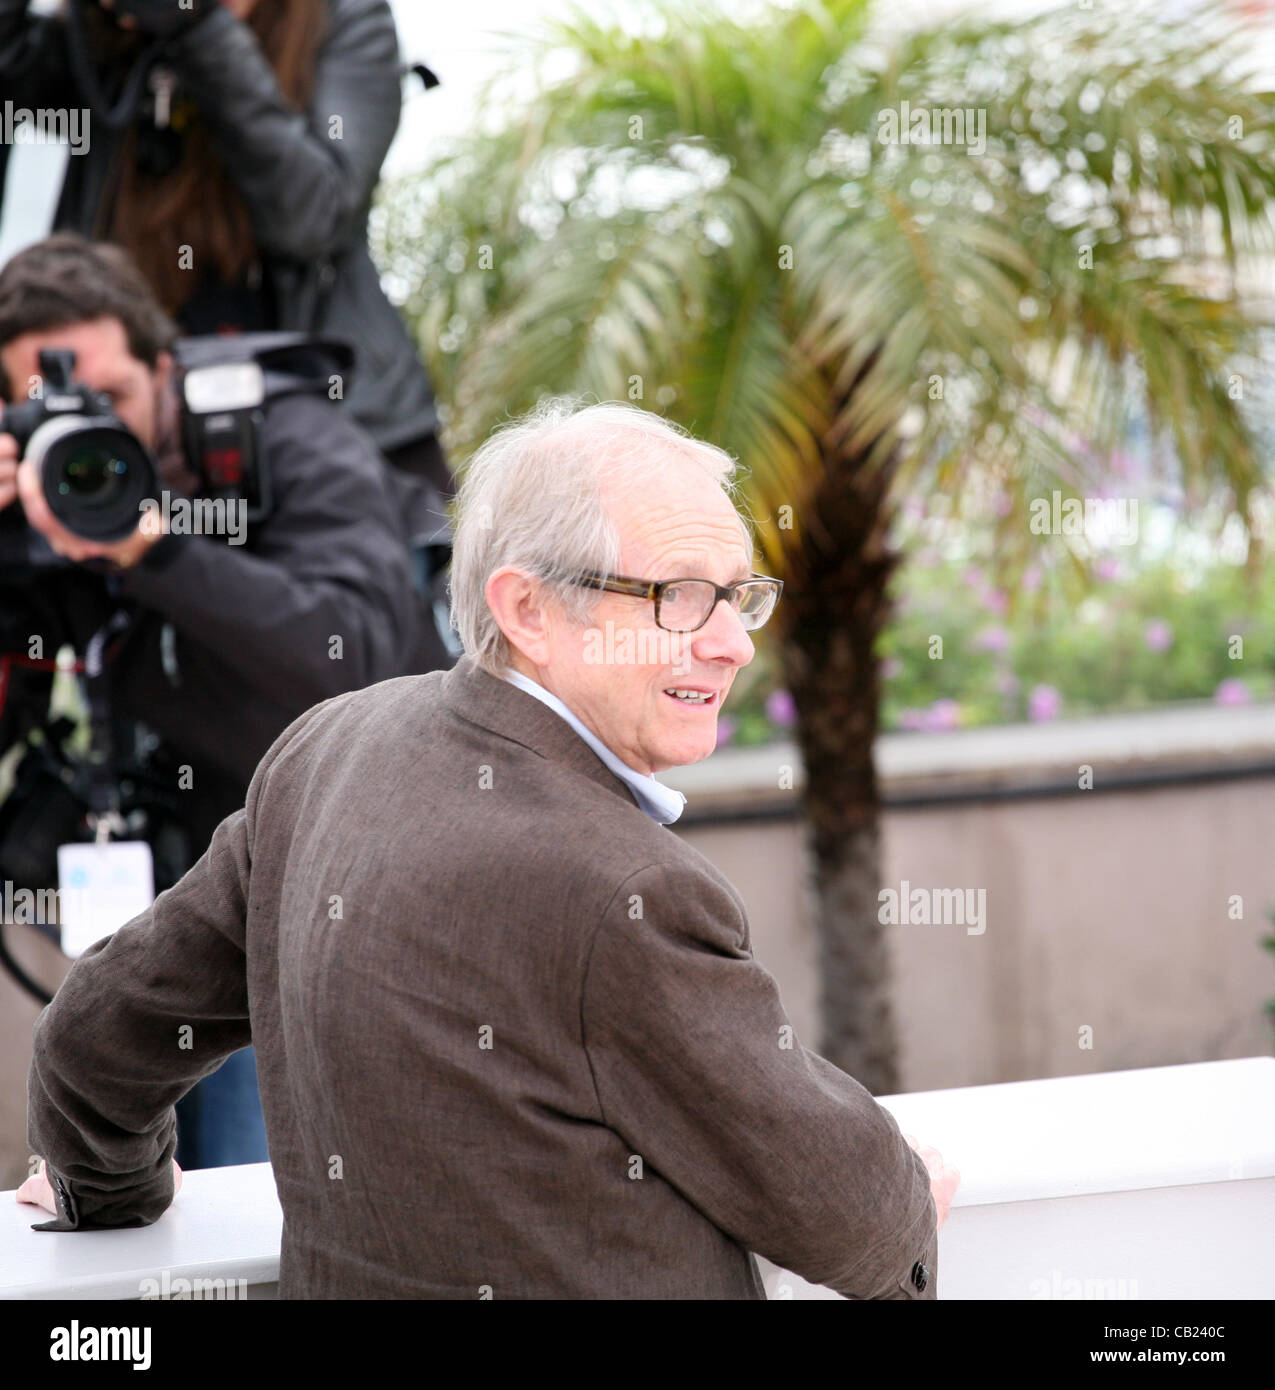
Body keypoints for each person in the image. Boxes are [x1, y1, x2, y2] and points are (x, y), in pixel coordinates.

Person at [18, 398, 959, 1298]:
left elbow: (98, 1039)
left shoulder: (327, 749)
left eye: (738, 596)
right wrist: (901, 1197)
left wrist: (112, 1194)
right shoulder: (629, 890)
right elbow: (848, 1219)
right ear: (528, 610)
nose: (732, 645)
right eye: (679, 596)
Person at [0, 233, 451, 1170]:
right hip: (170, 878)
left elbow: (358, 656)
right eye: (48, 409)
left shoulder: (277, 434)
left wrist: (154, 552)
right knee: (139, 1189)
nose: (90, 434)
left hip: (325, 878)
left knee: (251, 1186)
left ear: (165, 367)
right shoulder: (34, 493)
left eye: (112, 398)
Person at [0, 0, 453, 505]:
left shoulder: (343, 18)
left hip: (337, 427)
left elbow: (310, 219)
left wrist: (197, 26)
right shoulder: (109, 32)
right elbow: (15, 72)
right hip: (142, 439)